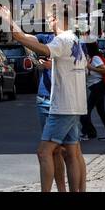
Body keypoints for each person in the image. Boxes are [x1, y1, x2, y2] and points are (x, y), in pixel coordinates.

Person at [0, 3, 87, 192]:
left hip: (62, 106)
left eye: (48, 18)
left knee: (44, 152)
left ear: (56, 19)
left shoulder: (61, 41)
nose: (47, 21)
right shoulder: (75, 41)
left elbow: (24, 40)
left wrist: (8, 21)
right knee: (71, 152)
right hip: (75, 105)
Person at [33, 34, 70, 191]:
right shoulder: (47, 38)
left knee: (55, 151)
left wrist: (52, 66)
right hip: (44, 99)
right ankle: (61, 189)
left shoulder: (71, 40)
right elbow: (29, 39)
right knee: (54, 151)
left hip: (62, 101)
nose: (49, 19)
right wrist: (9, 22)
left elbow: (80, 68)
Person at [80, 41, 105, 140]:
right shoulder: (90, 58)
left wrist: (91, 68)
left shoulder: (95, 58)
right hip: (96, 87)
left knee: (86, 111)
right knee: (101, 111)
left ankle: (87, 133)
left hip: (98, 87)